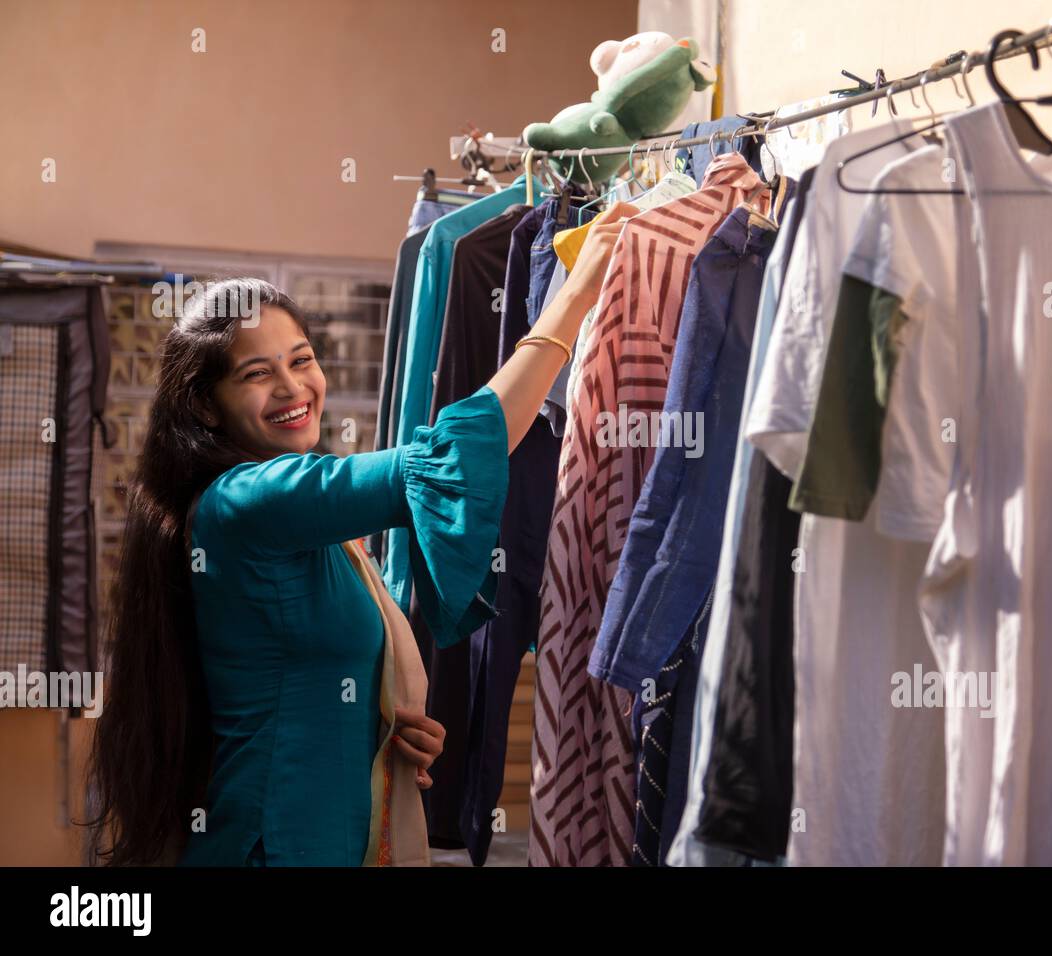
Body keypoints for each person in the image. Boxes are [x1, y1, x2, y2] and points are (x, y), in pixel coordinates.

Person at [86, 204, 638, 865]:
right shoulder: (247, 501)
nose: (295, 388)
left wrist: (379, 730)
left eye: (303, 360)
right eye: (257, 374)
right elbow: (447, 458)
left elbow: (293, 681)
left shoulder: (304, 520)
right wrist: (570, 298)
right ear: (206, 405)